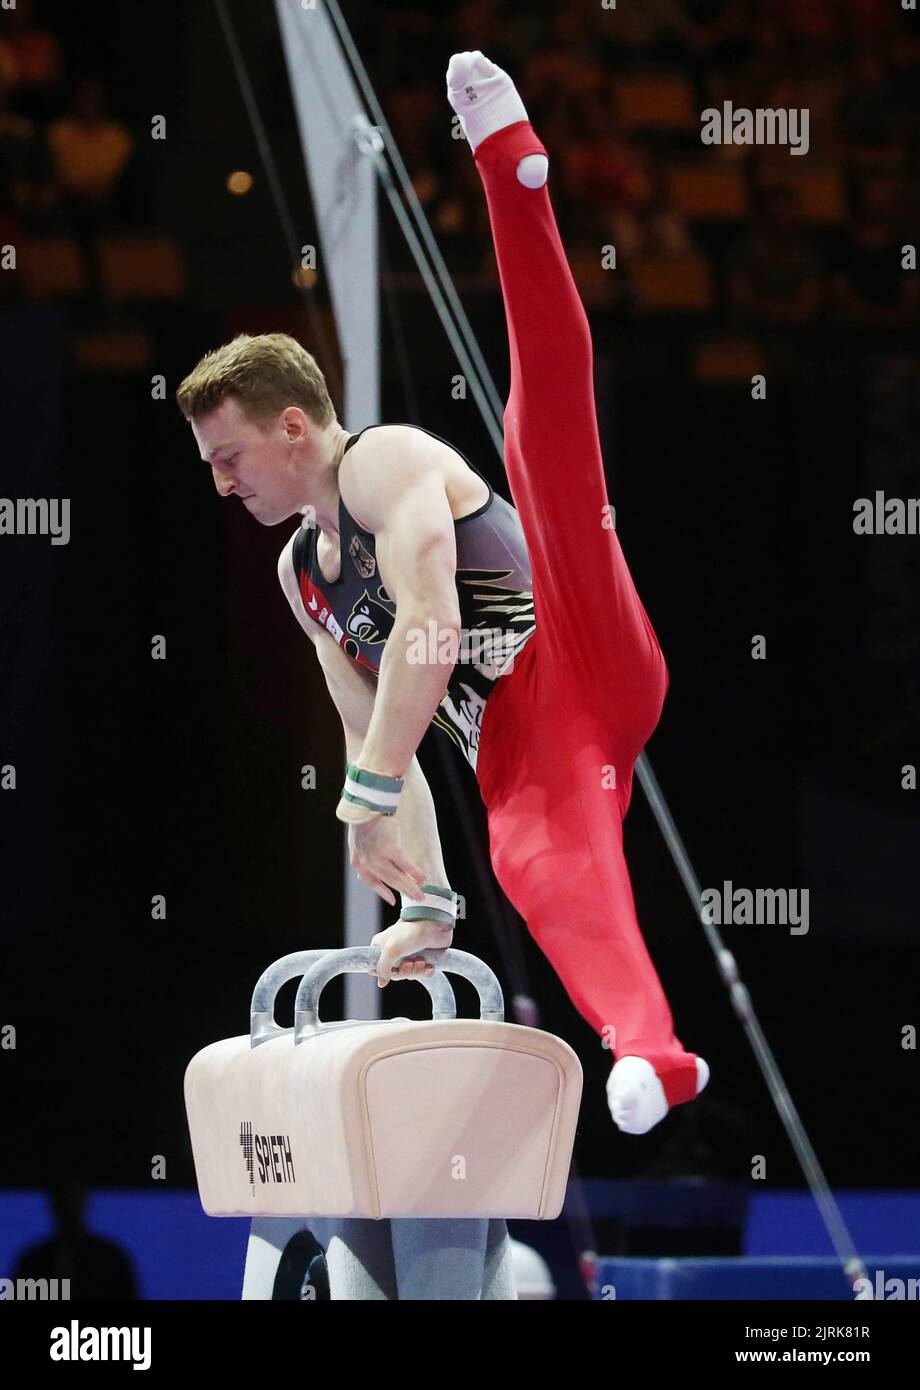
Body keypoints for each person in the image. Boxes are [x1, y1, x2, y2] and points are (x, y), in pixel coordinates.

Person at [176, 52, 708, 1139]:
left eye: (229, 456)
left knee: (544, 449)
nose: (222, 483)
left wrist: (363, 795)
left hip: (571, 647)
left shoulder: (383, 462)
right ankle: (654, 1053)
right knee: (535, 870)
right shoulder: (299, 578)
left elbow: (433, 624)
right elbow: (384, 741)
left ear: (292, 425)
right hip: (524, 747)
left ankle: (510, 165)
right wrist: (421, 892)